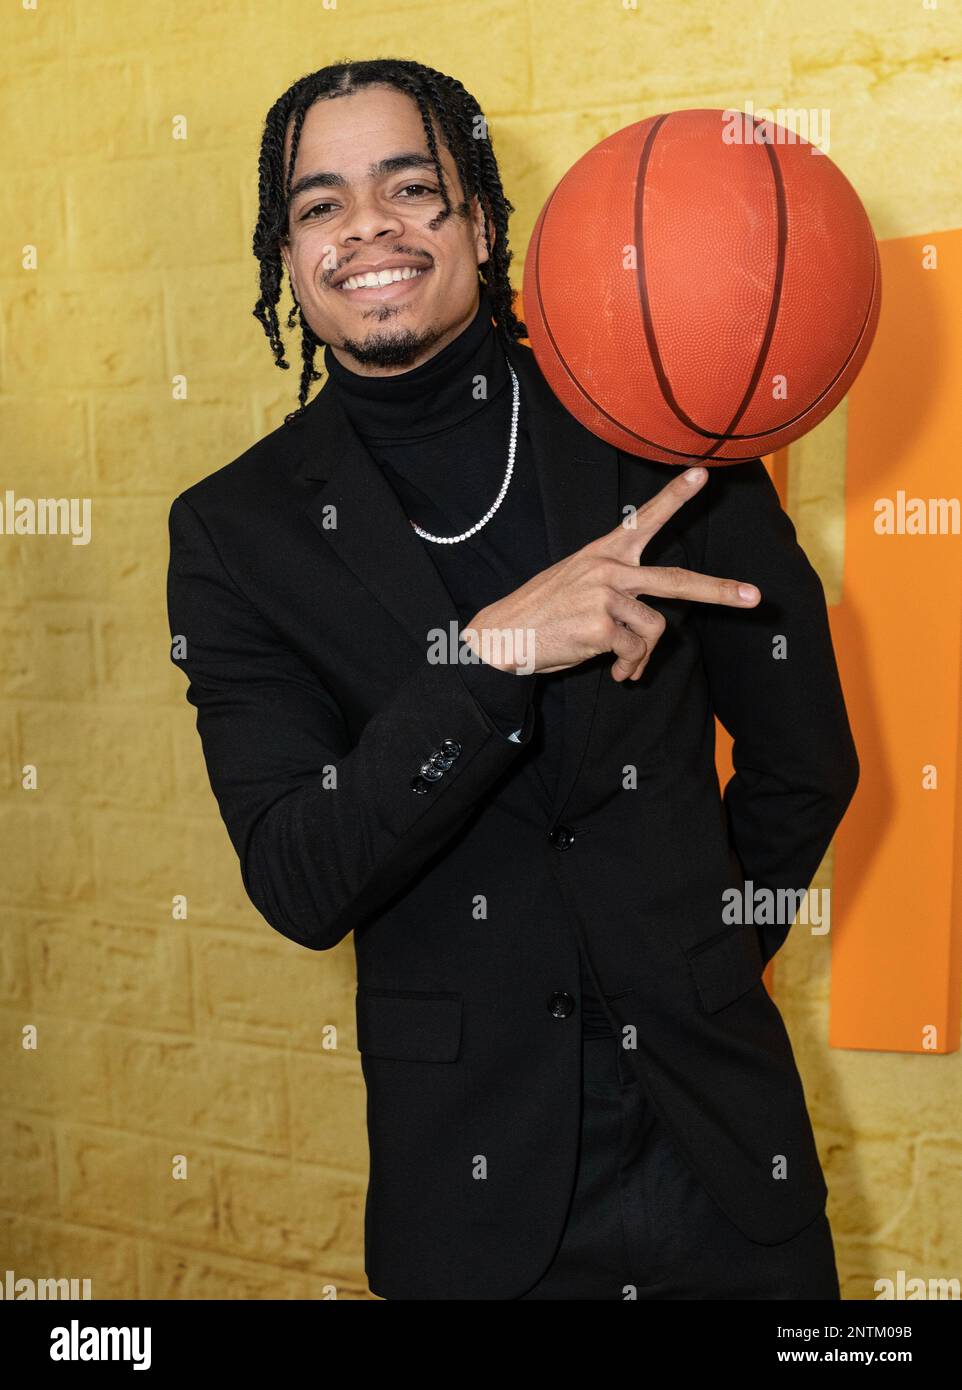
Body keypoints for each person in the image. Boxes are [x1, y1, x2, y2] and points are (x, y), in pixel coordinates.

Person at [166, 58, 859, 1300]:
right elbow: (296, 872)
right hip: (472, 1197)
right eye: (320, 204)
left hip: (718, 1158)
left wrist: (703, 952)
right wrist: (489, 656)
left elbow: (806, 756)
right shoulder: (236, 532)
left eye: (409, 186)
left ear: (480, 222)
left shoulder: (656, 418)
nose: (365, 226)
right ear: (287, 255)